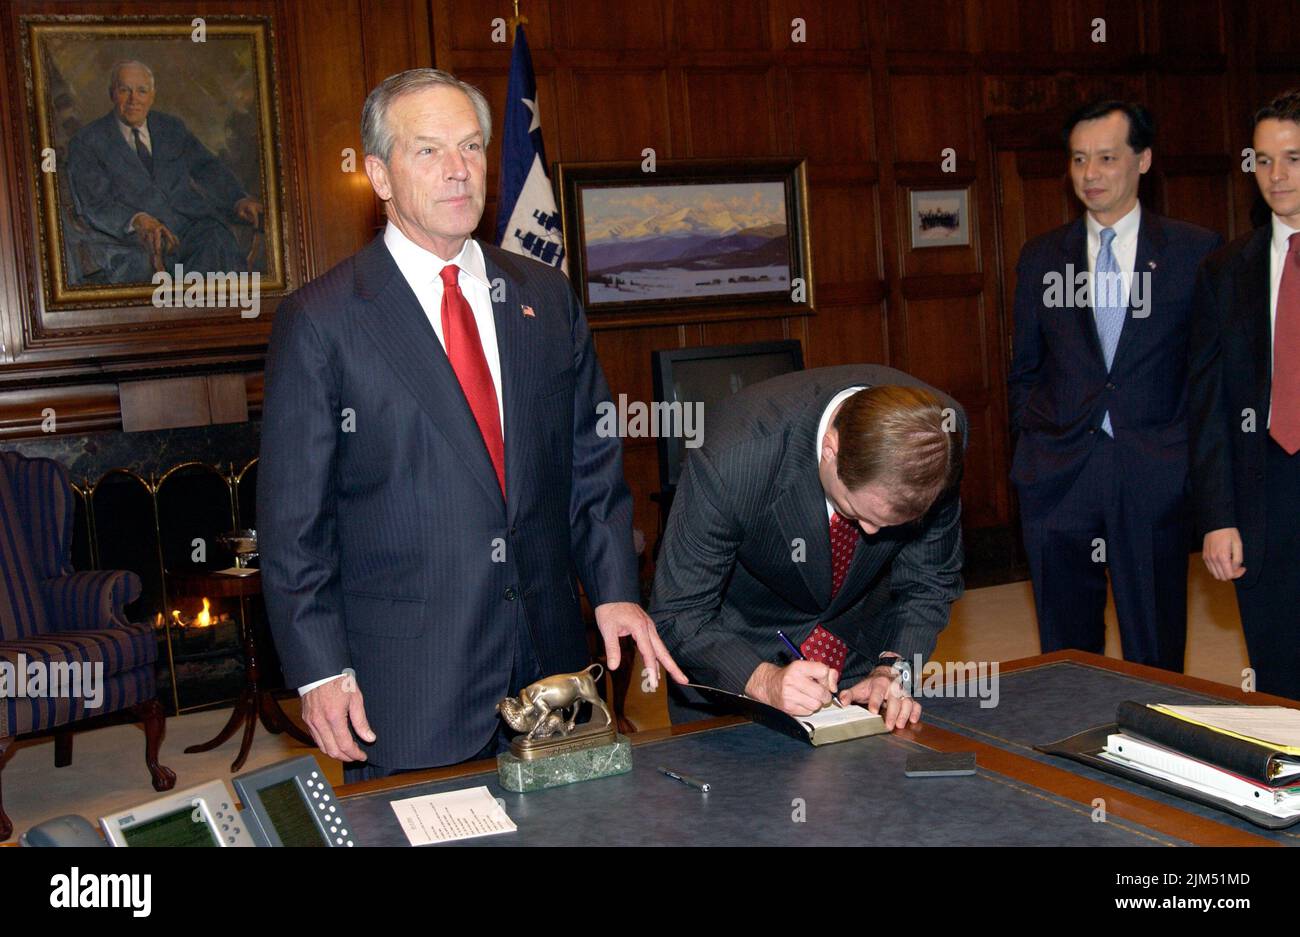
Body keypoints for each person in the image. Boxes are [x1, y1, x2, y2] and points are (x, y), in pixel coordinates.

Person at [258, 68, 684, 781]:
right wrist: (318, 670)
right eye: (428, 151)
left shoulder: (544, 297)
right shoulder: (322, 322)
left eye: (472, 147)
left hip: (550, 670)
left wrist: (613, 588)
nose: (459, 172)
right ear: (379, 175)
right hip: (412, 685)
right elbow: (294, 524)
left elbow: (589, 464)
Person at [1008, 100, 1221, 672]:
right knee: (1065, 649)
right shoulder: (1041, 257)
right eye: (1079, 159)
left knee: (1155, 643)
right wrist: (1032, 451)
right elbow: (1025, 369)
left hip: (1153, 470)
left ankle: (1156, 751)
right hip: (1059, 472)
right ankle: (1071, 748)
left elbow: (1208, 375)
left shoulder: (1194, 253)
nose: (1090, 174)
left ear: (1143, 160)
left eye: (1106, 157)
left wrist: (1185, 462)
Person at [649, 365, 966, 730]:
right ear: (830, 450)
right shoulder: (732, 458)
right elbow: (679, 613)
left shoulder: (938, 439)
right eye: (855, 512)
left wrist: (894, 668)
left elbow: (929, 580)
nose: (873, 532)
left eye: (894, 525)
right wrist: (763, 680)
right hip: (738, 662)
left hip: (862, 652)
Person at [1190, 89, 1300, 700]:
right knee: (1280, 678)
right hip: (1263, 501)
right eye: (1262, 160)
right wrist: (1217, 517)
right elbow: (1207, 406)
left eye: (1292, 158)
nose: (1276, 176)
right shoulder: (1225, 270)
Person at [64, 60, 263, 283]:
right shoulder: (87, 141)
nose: (133, 100)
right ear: (112, 94)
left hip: (192, 226)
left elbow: (207, 168)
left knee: (218, 243)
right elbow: (94, 203)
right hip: (134, 241)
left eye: (142, 91)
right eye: (124, 90)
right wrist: (136, 220)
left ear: (152, 95)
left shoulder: (171, 127)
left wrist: (237, 200)